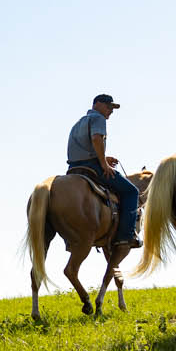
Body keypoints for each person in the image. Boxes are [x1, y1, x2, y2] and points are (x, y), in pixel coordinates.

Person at [65, 93, 141, 249]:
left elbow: (85, 149)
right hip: (92, 167)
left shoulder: (78, 123)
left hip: (73, 169)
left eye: (112, 108)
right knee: (131, 192)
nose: (110, 111)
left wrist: (104, 158)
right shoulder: (98, 118)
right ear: (97, 104)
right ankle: (126, 236)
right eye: (108, 106)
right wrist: (103, 164)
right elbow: (96, 139)